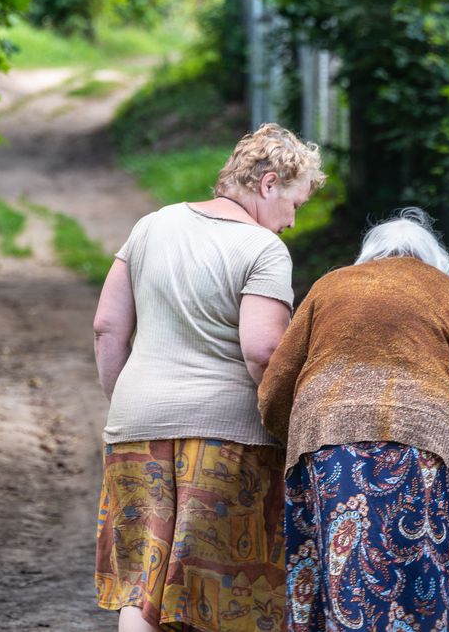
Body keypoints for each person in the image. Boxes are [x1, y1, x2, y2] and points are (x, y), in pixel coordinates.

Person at [93, 123, 327, 632]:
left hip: (136, 428)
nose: (291, 221)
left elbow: (107, 326)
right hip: (227, 439)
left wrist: (127, 402)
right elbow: (263, 351)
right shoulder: (262, 249)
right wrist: (291, 427)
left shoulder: (152, 225)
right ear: (268, 184)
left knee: (143, 587)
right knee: (217, 595)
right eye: (295, 204)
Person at [258, 207, 449, 632]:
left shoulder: (330, 286)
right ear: (435, 259)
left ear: (369, 254)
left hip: (327, 444)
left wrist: (290, 441)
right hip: (418, 448)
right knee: (418, 570)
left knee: (338, 573)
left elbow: (276, 383)